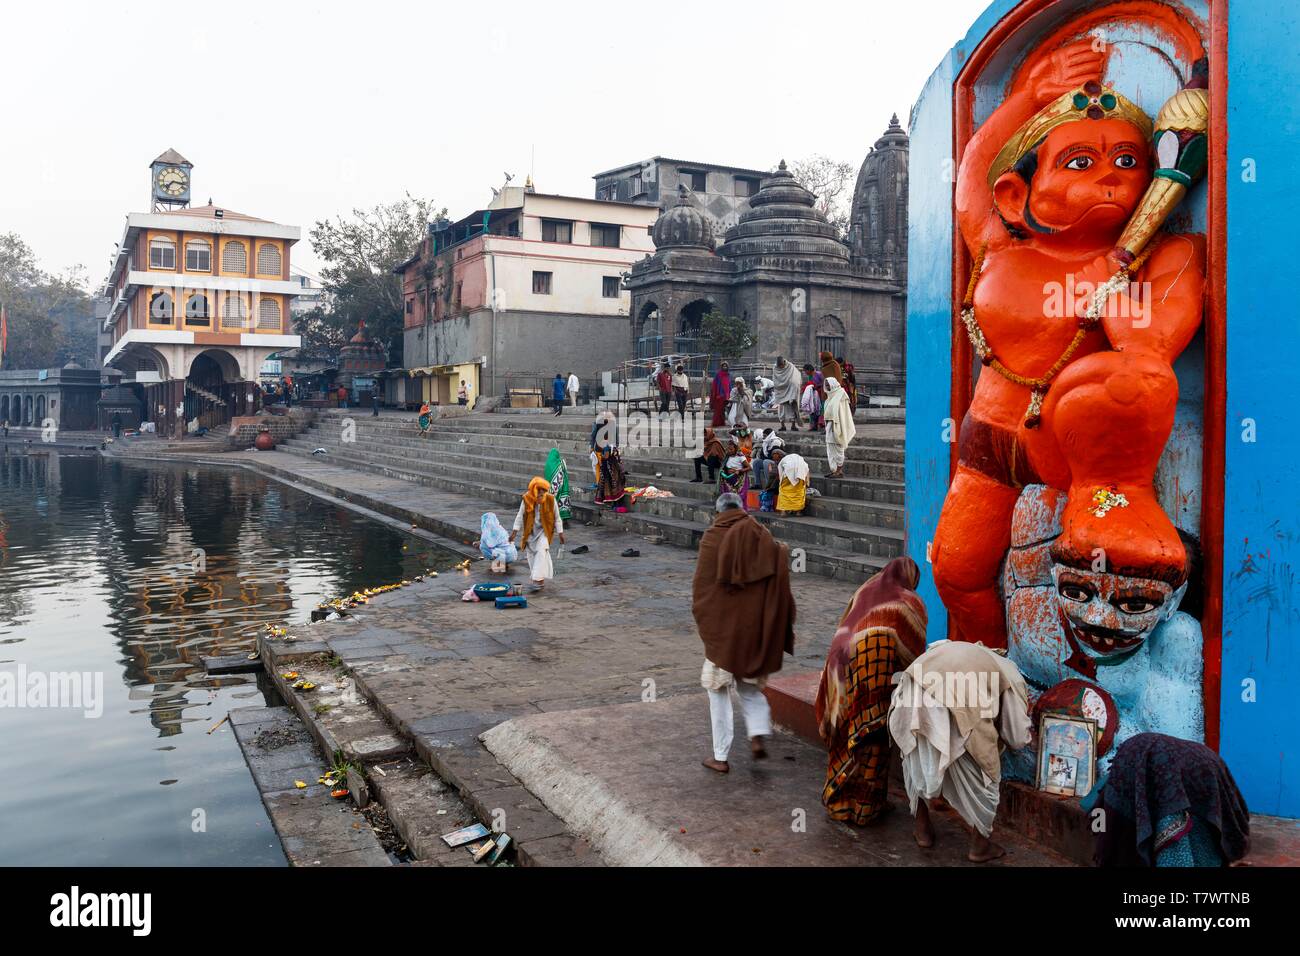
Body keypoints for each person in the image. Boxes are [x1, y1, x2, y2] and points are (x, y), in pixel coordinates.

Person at [888, 639, 1032, 862]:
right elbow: (1017, 736)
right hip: (952, 702)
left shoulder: (958, 648)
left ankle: (922, 829)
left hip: (911, 693)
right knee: (988, 780)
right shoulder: (1012, 677)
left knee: (917, 761)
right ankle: (979, 845)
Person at [816, 557, 927, 825]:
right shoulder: (909, 601)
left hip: (840, 671)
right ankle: (865, 809)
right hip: (872, 679)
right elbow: (914, 654)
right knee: (873, 738)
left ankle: (840, 804)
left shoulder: (864, 589)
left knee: (846, 733)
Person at [692, 492, 796, 773]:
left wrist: (708, 622)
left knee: (718, 690)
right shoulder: (762, 536)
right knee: (750, 688)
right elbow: (777, 583)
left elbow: (703, 591)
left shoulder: (713, 538)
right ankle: (757, 734)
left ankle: (720, 756)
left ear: (719, 512)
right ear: (740, 509)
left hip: (723, 635)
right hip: (753, 633)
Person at [1089, 733, 1250, 867]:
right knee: (1194, 830)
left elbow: (1103, 822)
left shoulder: (1127, 781)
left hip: (1186, 768)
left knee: (1177, 832)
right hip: (1207, 766)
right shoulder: (1129, 773)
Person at [509, 476, 565, 589]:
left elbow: (557, 518)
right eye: (538, 494)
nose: (540, 496)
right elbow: (519, 516)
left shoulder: (550, 499)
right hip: (530, 532)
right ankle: (540, 581)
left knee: (541, 550)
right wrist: (514, 533)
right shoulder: (527, 499)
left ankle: (536, 580)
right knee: (532, 556)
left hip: (545, 532)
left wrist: (560, 533)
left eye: (542, 494)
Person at [590, 411, 626, 506]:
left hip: (608, 456)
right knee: (605, 476)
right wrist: (592, 448)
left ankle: (608, 498)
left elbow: (615, 440)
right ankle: (607, 498)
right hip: (604, 454)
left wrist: (614, 449)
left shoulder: (613, 426)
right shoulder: (598, 425)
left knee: (607, 477)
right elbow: (594, 436)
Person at [823, 376, 856, 479]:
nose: (827, 387)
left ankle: (839, 470)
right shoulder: (830, 396)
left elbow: (842, 413)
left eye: (829, 385)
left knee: (838, 449)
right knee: (830, 448)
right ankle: (834, 470)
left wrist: (837, 426)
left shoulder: (841, 395)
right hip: (829, 426)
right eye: (826, 385)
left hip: (838, 426)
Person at [771, 356, 802, 432]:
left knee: (793, 407)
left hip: (791, 390)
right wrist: (781, 386)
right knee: (781, 409)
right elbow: (776, 380)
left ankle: (793, 425)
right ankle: (782, 425)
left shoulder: (790, 366)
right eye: (779, 366)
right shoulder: (775, 368)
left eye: (782, 365)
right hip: (781, 391)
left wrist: (793, 388)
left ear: (784, 362)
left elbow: (796, 377)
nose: (781, 367)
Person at [717, 439, 750, 505]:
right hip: (729, 478)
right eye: (728, 449)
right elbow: (723, 466)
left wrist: (738, 471)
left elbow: (749, 467)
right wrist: (723, 471)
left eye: (731, 449)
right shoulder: (727, 456)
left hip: (739, 479)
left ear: (735, 449)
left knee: (738, 497)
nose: (729, 451)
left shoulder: (740, 457)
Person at [776, 451, 810, 515]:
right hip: (801, 473)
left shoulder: (783, 460)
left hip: (788, 473)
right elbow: (807, 469)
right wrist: (807, 482)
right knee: (799, 492)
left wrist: (781, 483)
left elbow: (780, 473)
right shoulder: (800, 458)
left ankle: (783, 511)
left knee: (783, 491)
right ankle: (798, 512)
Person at [709, 362, 732, 427]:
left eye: (726, 366)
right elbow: (715, 385)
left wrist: (730, 394)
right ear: (721, 367)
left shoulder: (728, 375)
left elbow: (729, 385)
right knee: (718, 410)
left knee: (723, 410)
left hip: (726, 396)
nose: (724, 367)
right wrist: (716, 394)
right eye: (723, 366)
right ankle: (716, 423)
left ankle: (722, 422)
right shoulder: (718, 374)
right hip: (719, 395)